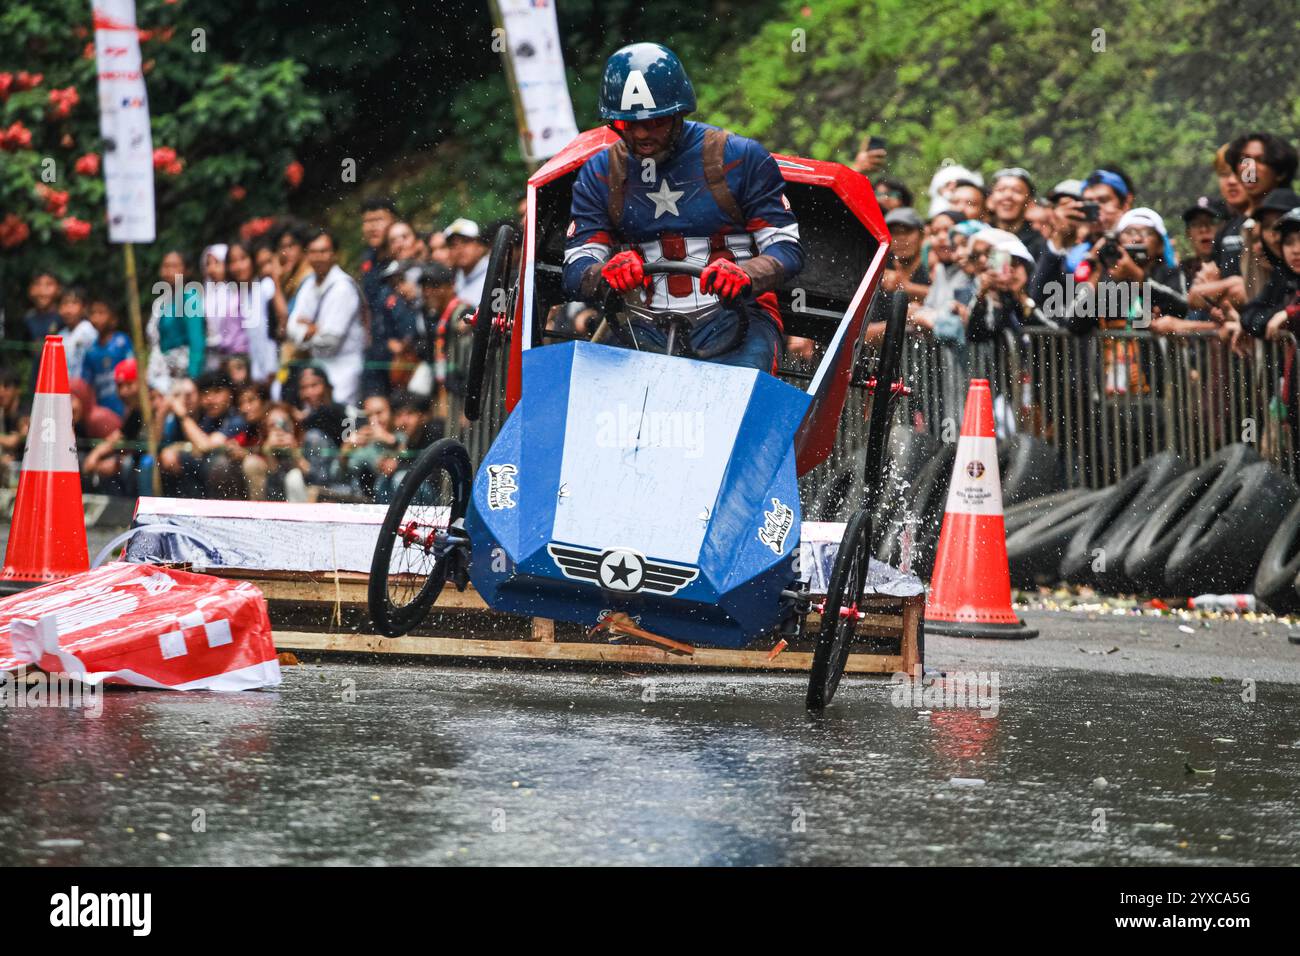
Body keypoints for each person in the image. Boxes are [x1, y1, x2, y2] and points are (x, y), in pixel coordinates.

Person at [563, 42, 803, 372]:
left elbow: (786, 249)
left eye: (656, 122)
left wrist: (745, 273)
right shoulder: (600, 173)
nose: (643, 135)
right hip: (639, 325)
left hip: (736, 321)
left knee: (738, 404)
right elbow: (576, 264)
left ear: (680, 113)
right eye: (629, 125)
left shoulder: (740, 159)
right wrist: (604, 273)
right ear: (613, 122)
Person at [287, 229, 365, 407]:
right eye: (313, 252)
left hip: (344, 370)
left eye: (323, 251)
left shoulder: (343, 287)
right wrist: (312, 331)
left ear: (334, 254)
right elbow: (290, 328)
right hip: (316, 369)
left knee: (342, 422)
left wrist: (305, 334)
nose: (318, 257)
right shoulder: (308, 284)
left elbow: (330, 340)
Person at [146, 250, 205, 392]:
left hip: (184, 373)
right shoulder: (162, 302)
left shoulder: (190, 298)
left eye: (174, 266)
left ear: (186, 270)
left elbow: (197, 340)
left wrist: (193, 376)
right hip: (165, 372)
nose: (168, 271)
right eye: (165, 266)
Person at [81, 298, 134, 415]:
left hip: (124, 407)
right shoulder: (90, 350)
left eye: (101, 313)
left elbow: (133, 373)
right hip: (102, 410)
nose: (96, 318)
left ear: (113, 318)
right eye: (93, 313)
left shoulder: (122, 342)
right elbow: (86, 385)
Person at [987, 167, 1046, 261]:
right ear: (990, 198)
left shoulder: (1041, 241)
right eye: (1001, 190)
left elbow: (1068, 275)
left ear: (1030, 201)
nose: (1008, 195)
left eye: (1017, 191)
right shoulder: (980, 234)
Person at [881, 207, 929, 304]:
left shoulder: (931, 265)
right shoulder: (881, 265)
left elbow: (946, 297)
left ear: (922, 235)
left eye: (906, 231)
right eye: (894, 233)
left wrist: (905, 287)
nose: (901, 238)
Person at [445, 218, 490, 306]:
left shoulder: (494, 275)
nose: (459, 249)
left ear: (481, 245)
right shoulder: (456, 277)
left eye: (465, 241)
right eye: (453, 244)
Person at [57, 286, 97, 384]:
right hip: (65, 388)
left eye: (74, 303)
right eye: (64, 304)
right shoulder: (60, 335)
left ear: (84, 308)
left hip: (84, 386)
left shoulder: (88, 330)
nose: (68, 310)